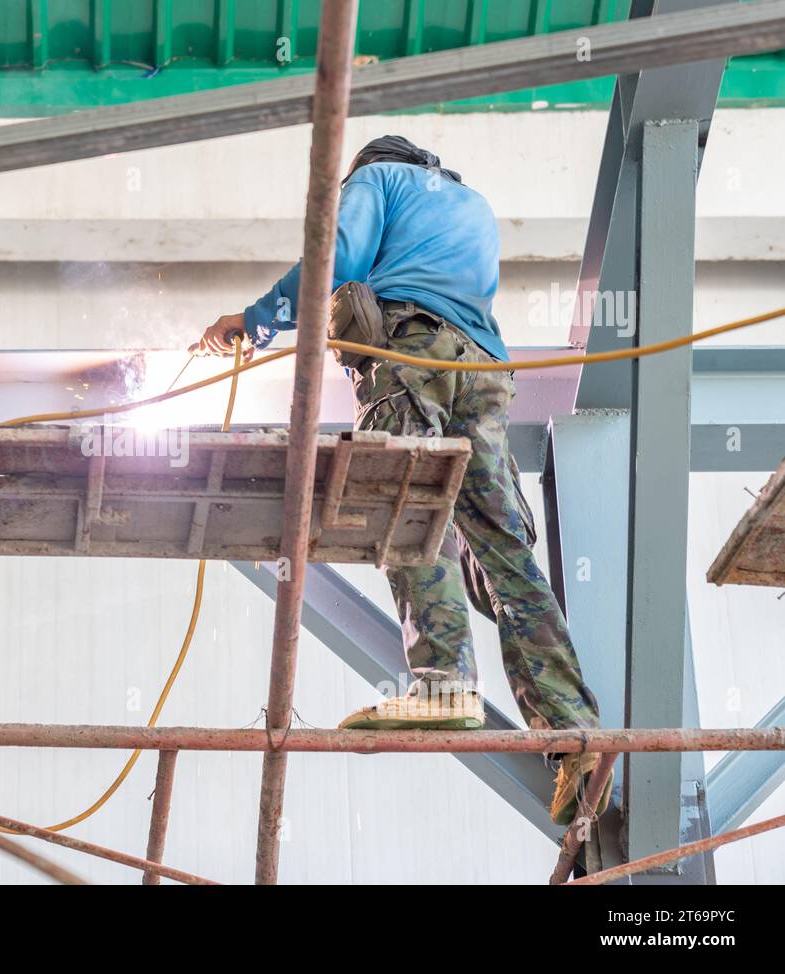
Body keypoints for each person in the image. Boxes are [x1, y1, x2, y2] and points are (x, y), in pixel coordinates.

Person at [190, 135, 606, 825]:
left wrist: (256, 322)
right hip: (484, 374)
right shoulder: (471, 204)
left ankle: (443, 684)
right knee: (505, 556)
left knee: (411, 509)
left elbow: (340, 258)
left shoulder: (377, 180)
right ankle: (572, 737)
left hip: (412, 354)